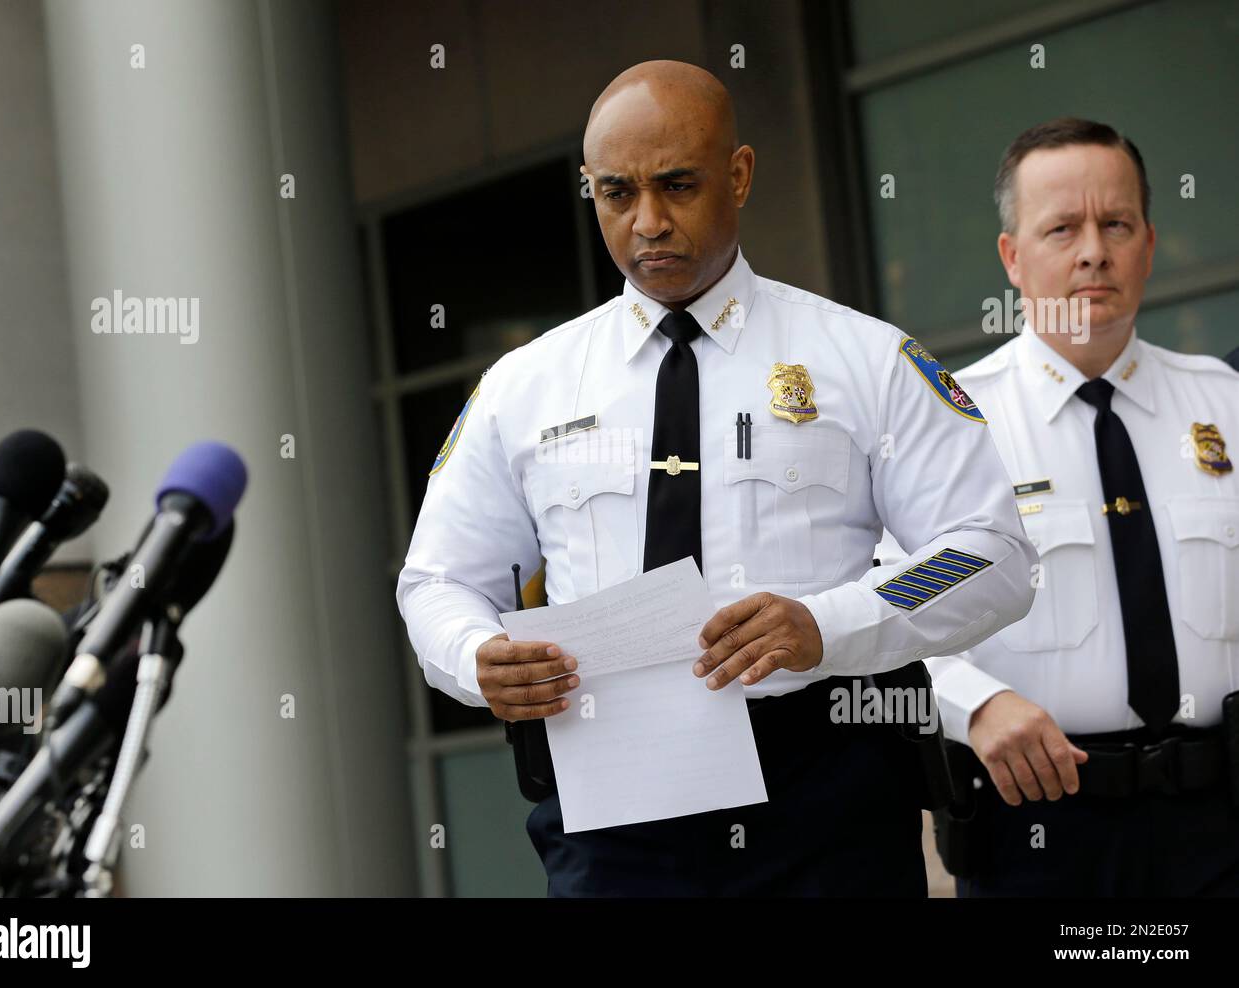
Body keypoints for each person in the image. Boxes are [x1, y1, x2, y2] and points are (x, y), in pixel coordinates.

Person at [397, 60, 1036, 896]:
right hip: (609, 807)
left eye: (678, 185)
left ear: (738, 175)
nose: (648, 222)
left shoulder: (863, 360)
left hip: (822, 795)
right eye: (616, 193)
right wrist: (476, 654)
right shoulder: (526, 386)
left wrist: (826, 624)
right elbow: (438, 580)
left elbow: (992, 554)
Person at [927, 118, 1239, 896]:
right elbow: (894, 621)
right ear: (1012, 257)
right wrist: (977, 705)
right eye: (1062, 227)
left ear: (1150, 244)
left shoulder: (1226, 403)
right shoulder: (953, 420)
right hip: (1040, 834)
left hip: (1221, 827)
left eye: (1117, 224)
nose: (1094, 250)